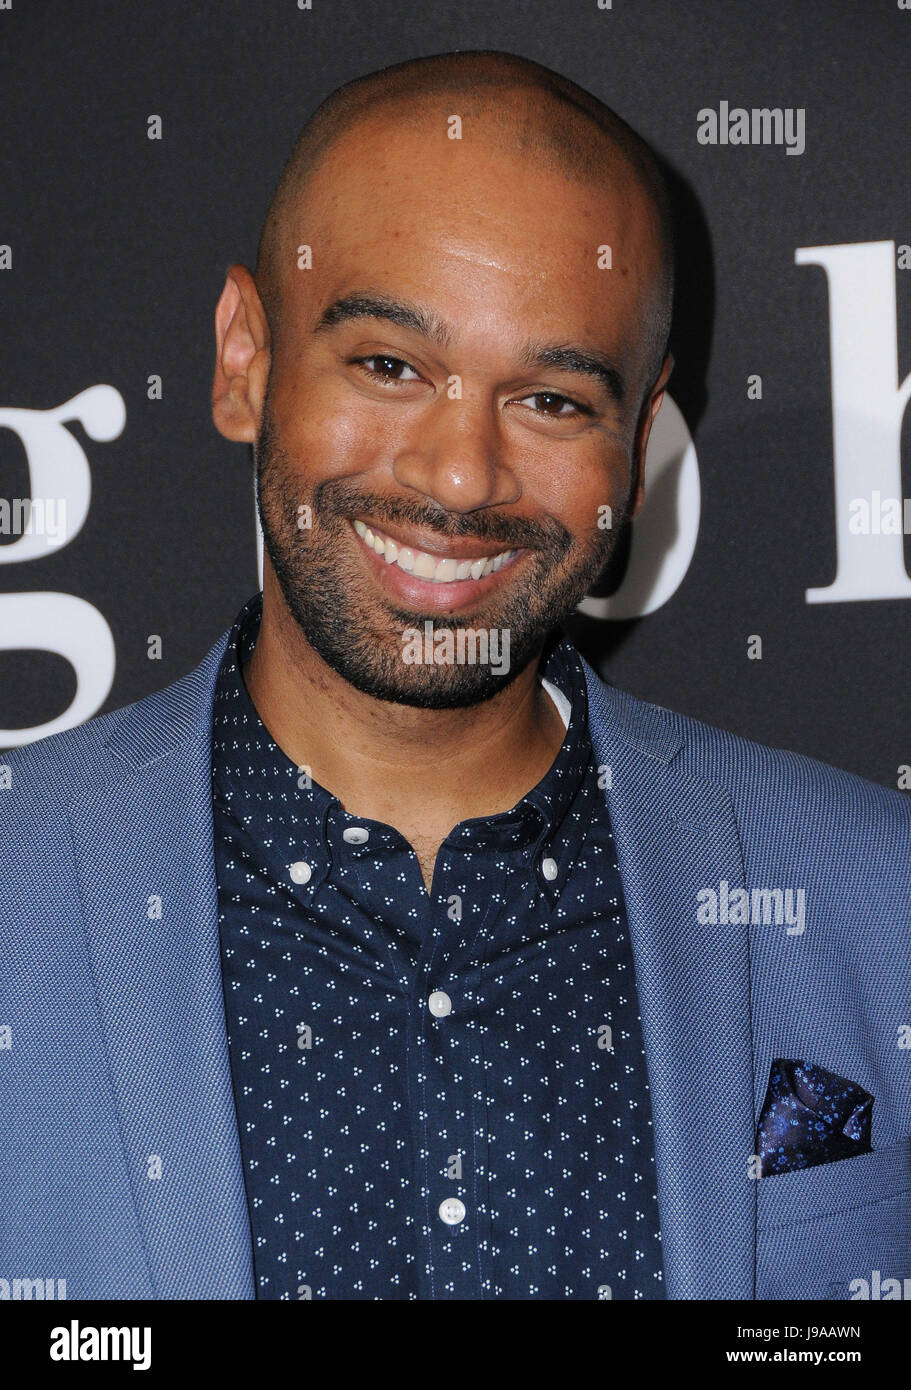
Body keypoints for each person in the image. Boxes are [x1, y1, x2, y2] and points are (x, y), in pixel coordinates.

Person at [2, 50, 908, 1302]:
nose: (458, 477)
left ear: (635, 448)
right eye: (388, 366)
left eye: (547, 398)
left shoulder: (874, 898)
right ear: (243, 360)